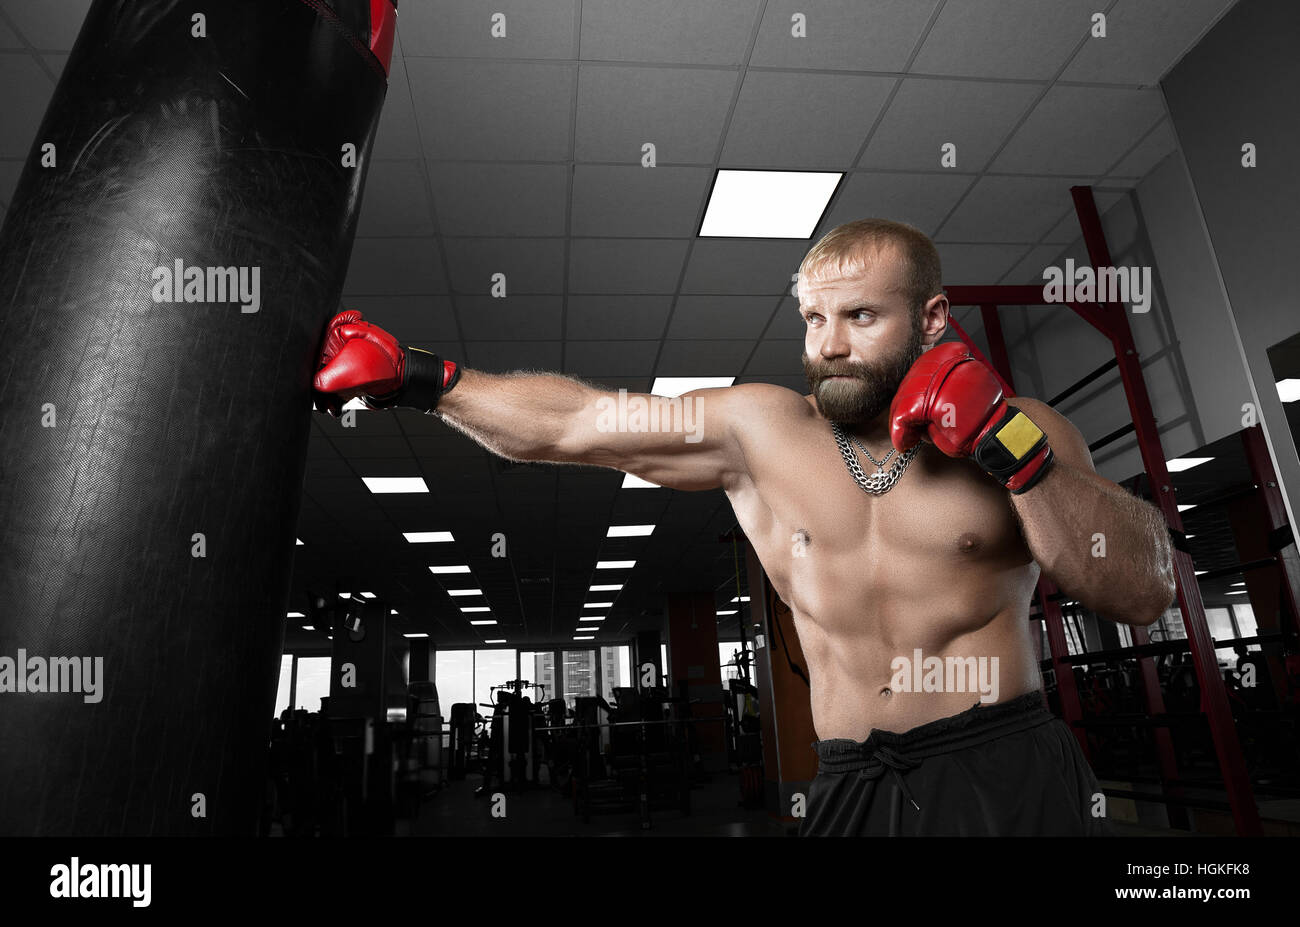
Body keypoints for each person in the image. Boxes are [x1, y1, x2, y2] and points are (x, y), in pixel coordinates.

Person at [312, 218, 1176, 836]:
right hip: (851, 779)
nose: (829, 343)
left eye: (860, 317)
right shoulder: (761, 432)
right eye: (812, 318)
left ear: (933, 318)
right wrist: (421, 377)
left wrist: (1013, 452)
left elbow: (1143, 589)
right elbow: (576, 423)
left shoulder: (1025, 427)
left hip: (1007, 768)